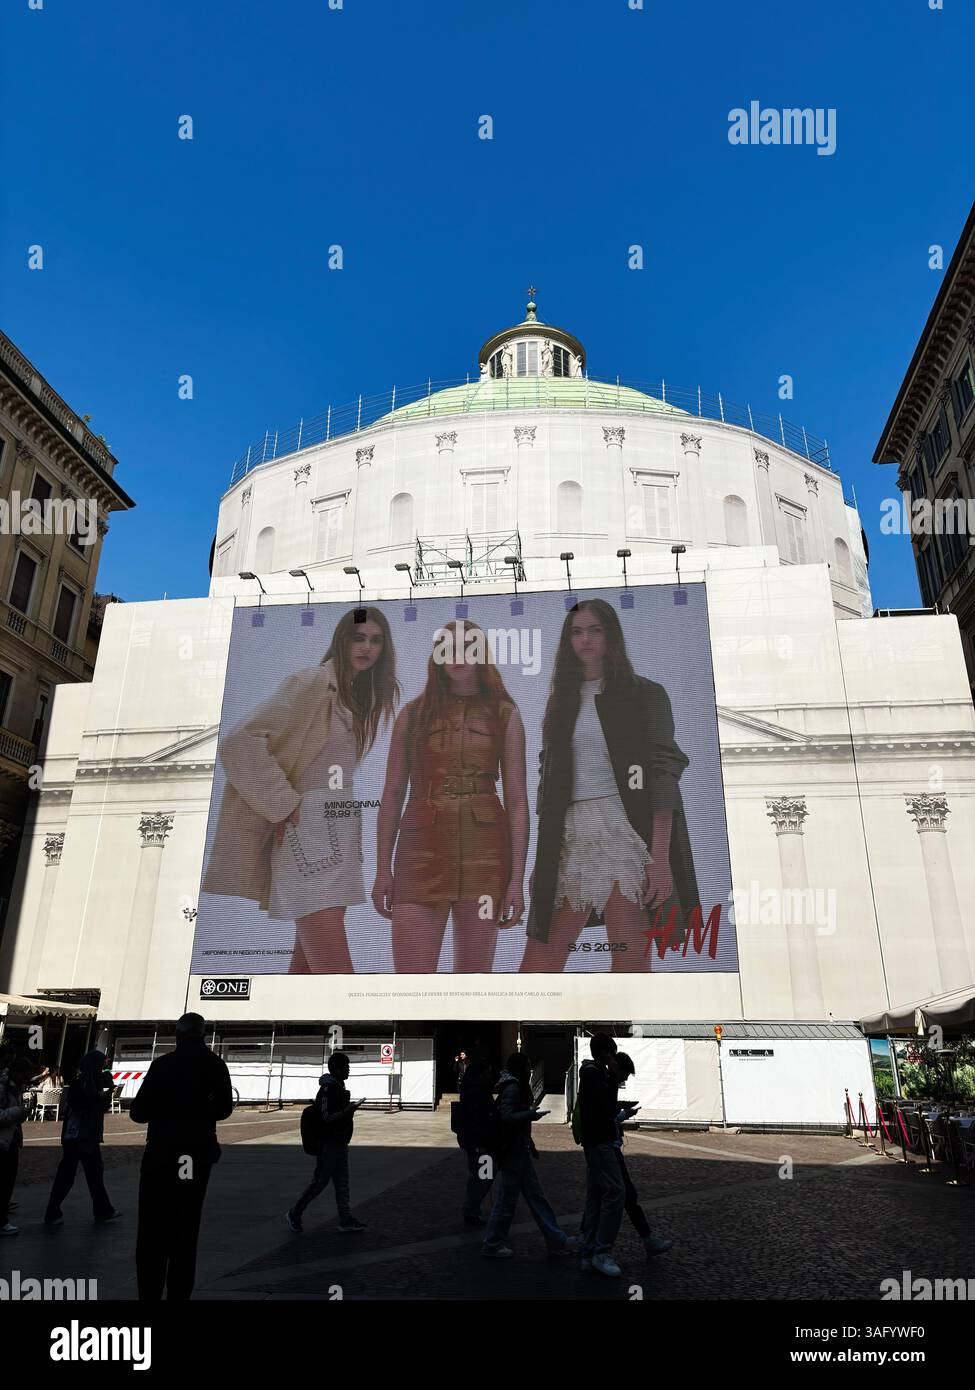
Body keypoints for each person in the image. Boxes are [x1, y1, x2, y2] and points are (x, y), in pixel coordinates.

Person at [203, 607, 399, 973]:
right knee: (335, 972)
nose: (367, 648)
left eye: (376, 641)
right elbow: (239, 741)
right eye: (358, 638)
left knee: (306, 970)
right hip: (308, 833)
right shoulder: (312, 682)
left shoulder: (357, 700)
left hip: (340, 832)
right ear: (342, 641)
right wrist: (284, 805)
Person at [521, 598, 698, 973]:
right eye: (576, 632)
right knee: (538, 964)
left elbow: (663, 776)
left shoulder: (645, 694)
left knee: (630, 959)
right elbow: (547, 785)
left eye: (594, 630)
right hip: (568, 835)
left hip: (622, 830)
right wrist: (542, 859)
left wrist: (660, 859)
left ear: (611, 635)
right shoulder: (560, 702)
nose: (585, 639)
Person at [373, 619, 529, 973]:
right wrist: (383, 869)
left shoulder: (505, 713)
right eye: (448, 647)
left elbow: (518, 802)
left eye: (467, 647)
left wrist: (516, 880)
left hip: (486, 855)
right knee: (411, 981)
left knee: (473, 981)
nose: (457, 655)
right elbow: (392, 793)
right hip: (419, 852)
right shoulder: (412, 714)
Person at [129, 1012, 234, 1300]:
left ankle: (149, 1293)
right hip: (194, 1157)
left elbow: (138, 1112)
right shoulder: (215, 1065)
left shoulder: (163, 1065)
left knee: (152, 1230)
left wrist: (165, 1109)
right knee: (186, 1229)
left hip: (161, 1155)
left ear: (178, 1034)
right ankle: (179, 1294)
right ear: (203, 1034)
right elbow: (225, 1109)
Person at [482, 1052, 578, 1259]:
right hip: (513, 1150)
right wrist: (531, 1115)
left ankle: (555, 1238)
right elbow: (507, 1116)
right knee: (510, 1199)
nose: (529, 1068)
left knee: (532, 1196)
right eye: (527, 1065)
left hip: (518, 1149)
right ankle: (493, 1242)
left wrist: (530, 1142)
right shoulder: (513, 1088)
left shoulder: (513, 1086)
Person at [287, 1051, 366, 1233]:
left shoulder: (339, 1088)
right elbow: (326, 1117)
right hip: (328, 1143)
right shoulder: (328, 1090)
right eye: (346, 1067)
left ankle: (345, 1219)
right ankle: (295, 1211)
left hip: (340, 1141)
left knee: (342, 1182)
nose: (348, 1070)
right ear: (337, 1070)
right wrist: (347, 1111)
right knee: (320, 1182)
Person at [43, 1049, 118, 1226]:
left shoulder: (90, 1082)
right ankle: (54, 1211)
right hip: (78, 1135)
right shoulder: (82, 1084)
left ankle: (102, 1209)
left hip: (86, 1135)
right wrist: (100, 1098)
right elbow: (80, 1106)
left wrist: (103, 1095)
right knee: (73, 1174)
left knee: (92, 1173)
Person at [612, 1052, 672, 1258]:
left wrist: (620, 1108)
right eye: (626, 1075)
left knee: (600, 1199)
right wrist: (623, 1114)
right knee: (625, 1196)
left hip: (605, 1148)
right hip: (608, 1149)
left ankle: (589, 1243)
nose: (625, 1080)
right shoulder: (605, 1084)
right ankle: (600, 1248)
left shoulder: (602, 1082)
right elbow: (604, 1118)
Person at [578, 1034, 626, 1277]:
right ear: (606, 1052)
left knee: (596, 1196)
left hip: (594, 1141)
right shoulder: (593, 1074)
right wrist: (614, 1077)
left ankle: (589, 1251)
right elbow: (606, 1107)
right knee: (616, 1192)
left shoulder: (592, 1073)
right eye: (612, 1053)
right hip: (599, 1141)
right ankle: (602, 1251)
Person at [455, 1058, 496, 1226]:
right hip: (481, 1144)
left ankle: (472, 1209)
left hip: (477, 1143)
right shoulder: (478, 1094)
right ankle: (472, 1210)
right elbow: (479, 1120)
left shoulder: (471, 1092)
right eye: (487, 1072)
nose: (490, 1075)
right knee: (483, 1177)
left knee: (480, 1176)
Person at [0, 1051, 31, 1236]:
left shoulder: (16, 1088)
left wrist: (22, 1114)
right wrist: (18, 1112)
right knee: (4, 1181)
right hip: (2, 1141)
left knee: (8, 1181)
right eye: (24, 1075)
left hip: (11, 1139)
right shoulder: (3, 1088)